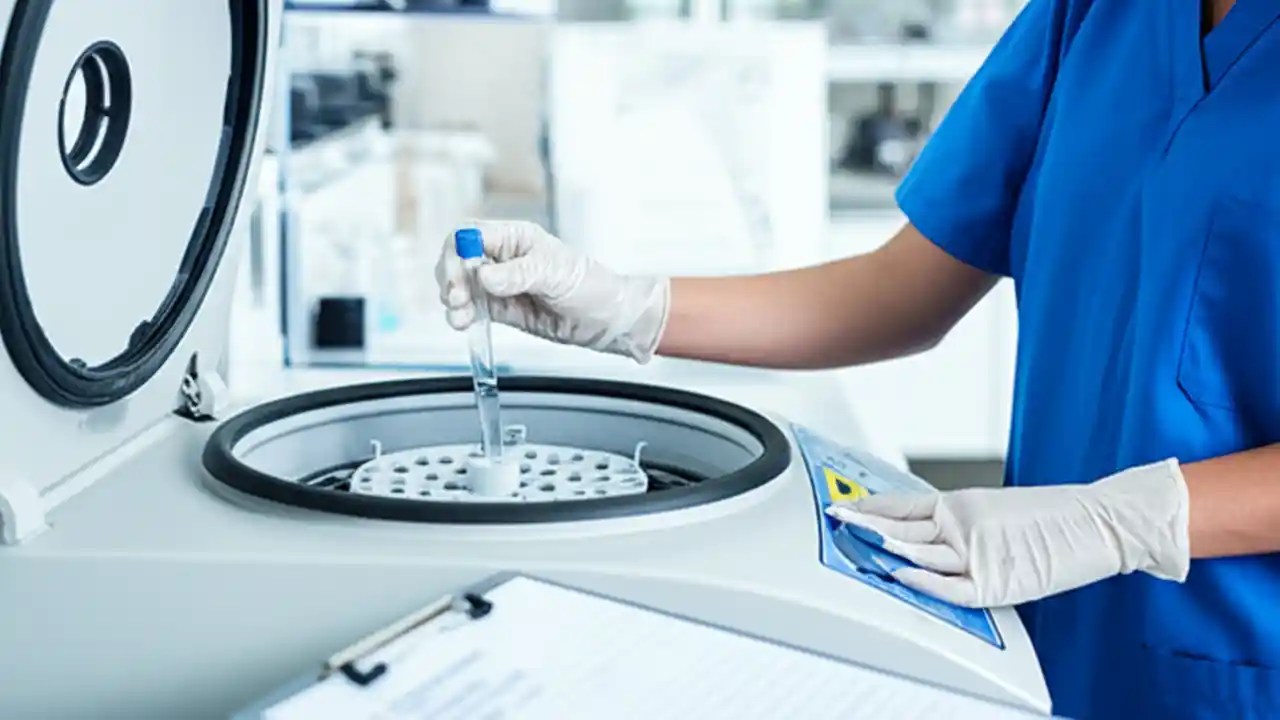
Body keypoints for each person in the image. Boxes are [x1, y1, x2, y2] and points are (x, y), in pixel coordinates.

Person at [436, 0, 1280, 716]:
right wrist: (624, 304)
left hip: (1237, 663)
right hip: (1044, 635)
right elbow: (900, 293)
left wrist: (1121, 521)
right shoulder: (1095, 14)